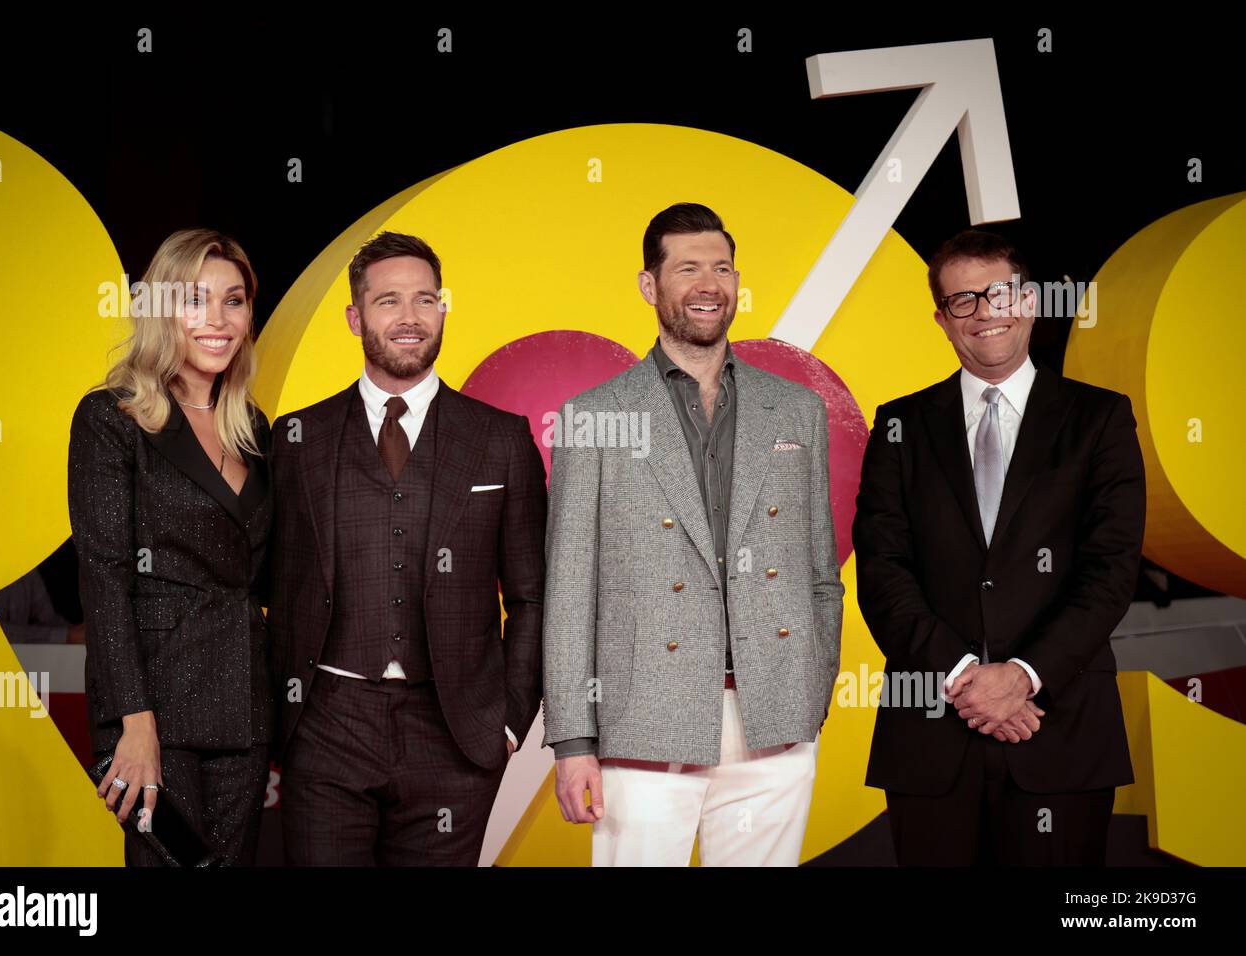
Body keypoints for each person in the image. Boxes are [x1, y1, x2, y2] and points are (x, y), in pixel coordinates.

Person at [542, 202, 844, 866]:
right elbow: (569, 594)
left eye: (722, 268)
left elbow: (822, 572)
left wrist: (811, 692)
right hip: (643, 723)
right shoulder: (594, 416)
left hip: (776, 721)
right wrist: (572, 743)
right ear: (650, 286)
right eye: (688, 269)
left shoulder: (797, 409)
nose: (710, 285)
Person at [852, 229, 1144, 865]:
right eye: (962, 301)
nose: (984, 312)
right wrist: (964, 680)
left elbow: (1111, 568)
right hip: (931, 736)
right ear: (942, 320)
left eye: (1000, 294)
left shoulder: (1099, 418)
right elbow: (882, 569)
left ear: (1031, 301)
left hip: (1059, 727)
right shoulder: (899, 423)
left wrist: (1024, 677)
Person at [268, 231, 547, 866]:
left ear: (443, 309)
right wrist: (290, 724)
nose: (410, 317)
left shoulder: (500, 440)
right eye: (388, 301)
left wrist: (506, 723)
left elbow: (533, 596)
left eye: (426, 299)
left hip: (454, 732)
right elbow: (274, 589)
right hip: (327, 728)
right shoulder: (297, 438)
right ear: (355, 316)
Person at [68, 228, 273, 866]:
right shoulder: (112, 417)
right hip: (156, 704)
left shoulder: (255, 428)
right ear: (163, 309)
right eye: (195, 300)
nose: (217, 320)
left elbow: (264, 579)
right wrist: (134, 721)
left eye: (233, 301)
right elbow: (103, 577)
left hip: (245, 707)